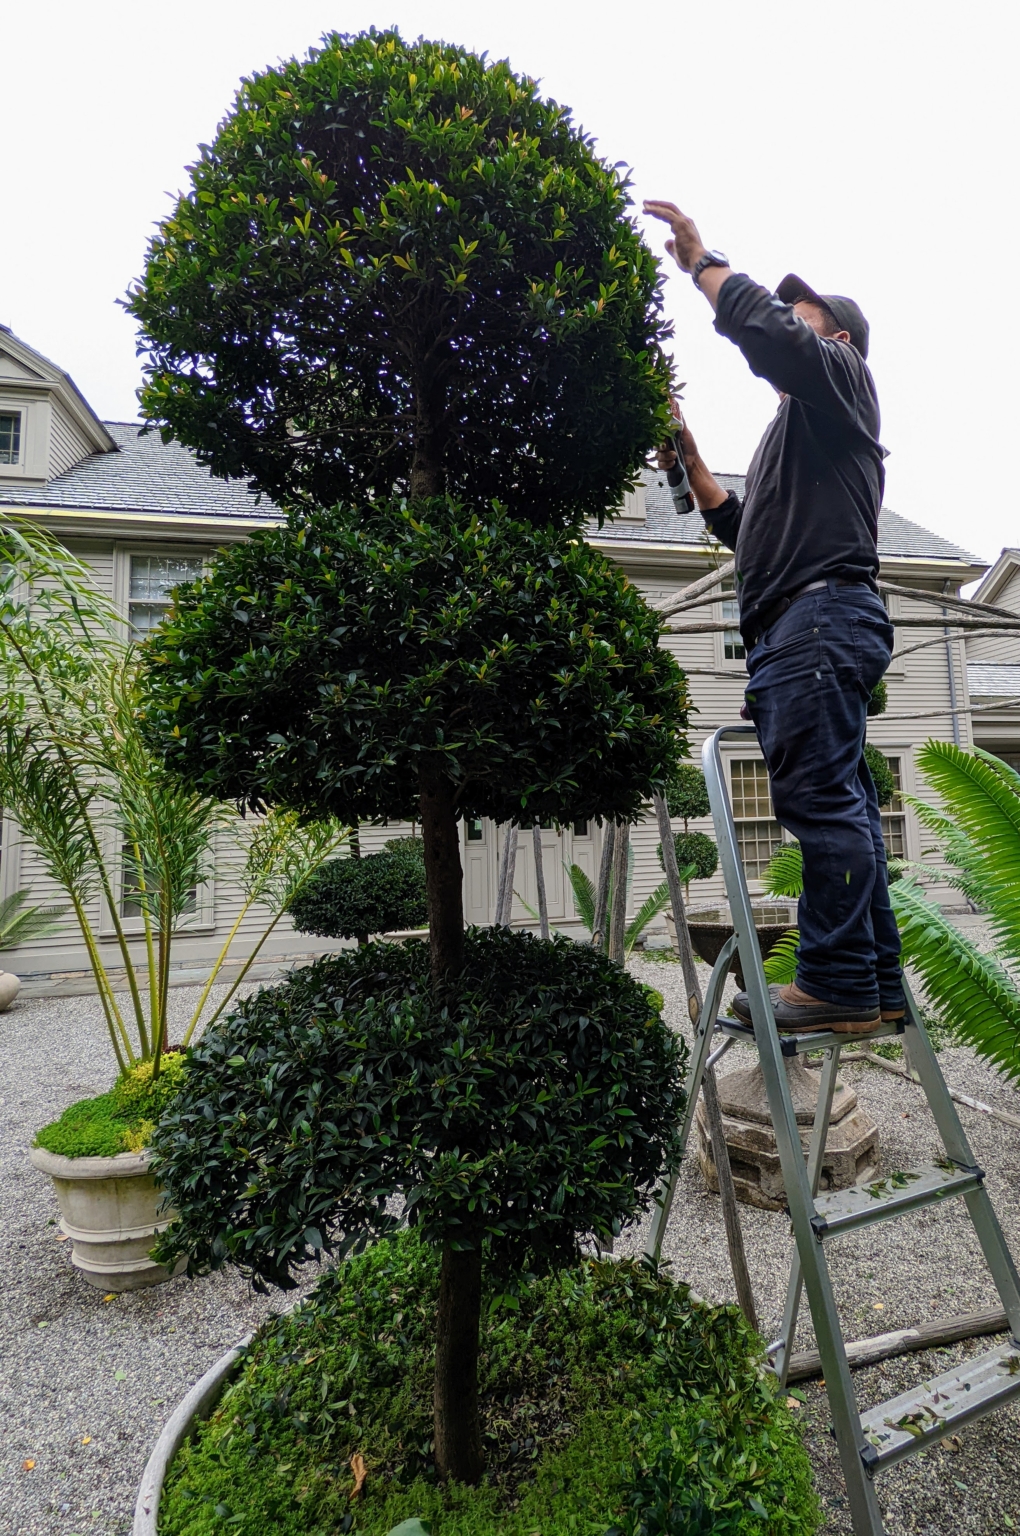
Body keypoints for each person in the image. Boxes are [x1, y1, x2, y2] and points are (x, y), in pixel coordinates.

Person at [644, 198, 903, 1034]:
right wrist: (688, 453)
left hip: (818, 625)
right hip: (815, 624)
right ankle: (874, 982)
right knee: (846, 806)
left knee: (820, 804)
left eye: (807, 312)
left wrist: (700, 263)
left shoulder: (843, 384)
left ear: (837, 341)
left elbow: (773, 338)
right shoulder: (802, 436)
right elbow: (740, 527)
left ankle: (832, 985)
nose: (792, 314)